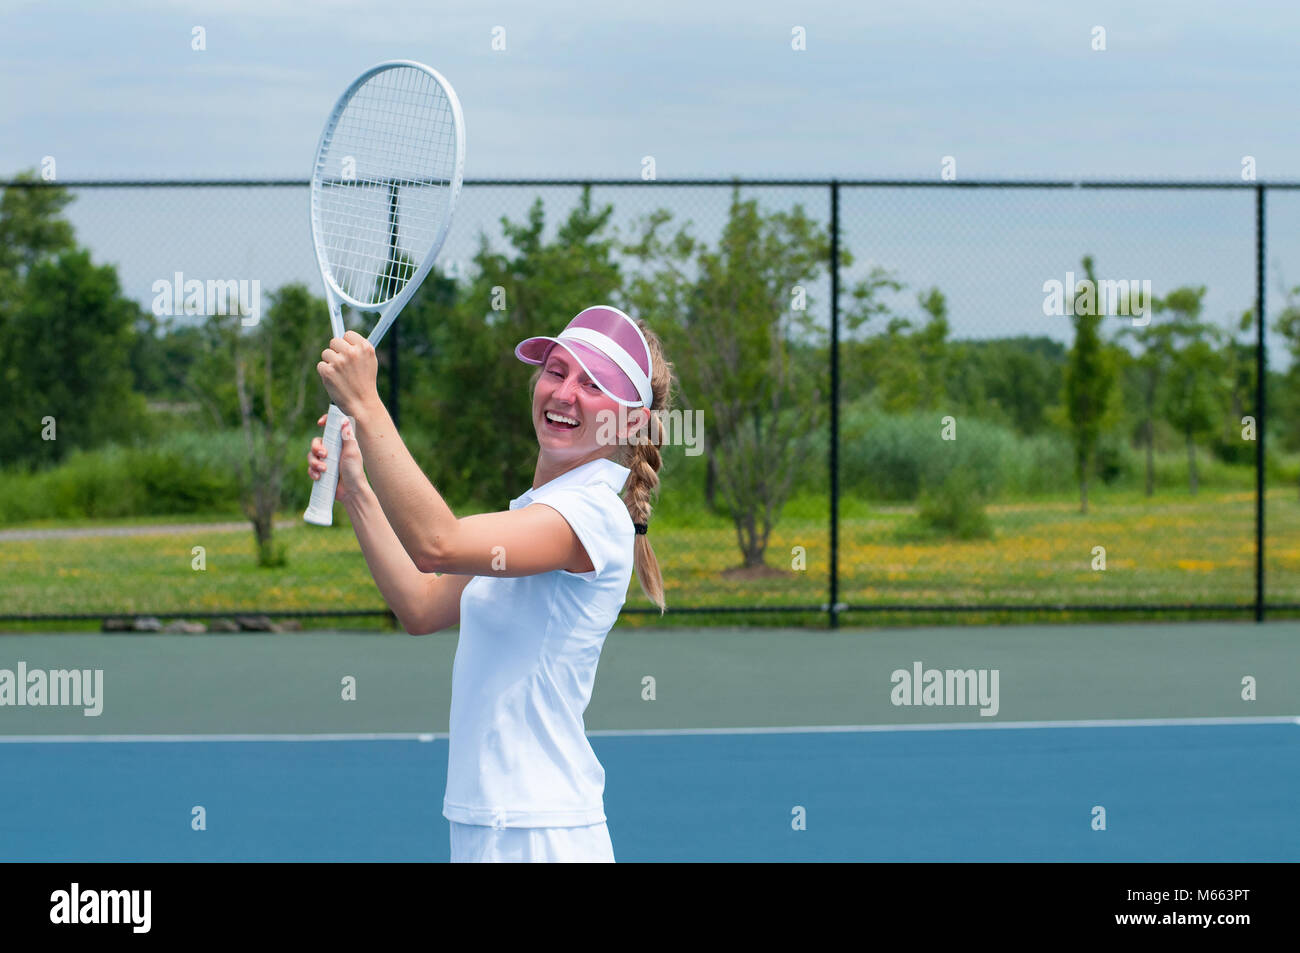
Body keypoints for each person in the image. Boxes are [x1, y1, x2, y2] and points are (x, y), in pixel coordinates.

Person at [308, 304, 673, 862]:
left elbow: (438, 543)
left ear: (628, 423)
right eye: (556, 370)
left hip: (541, 832)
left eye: (592, 384)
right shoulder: (536, 513)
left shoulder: (593, 515)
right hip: (490, 823)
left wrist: (366, 402)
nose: (565, 392)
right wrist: (358, 489)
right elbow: (422, 605)